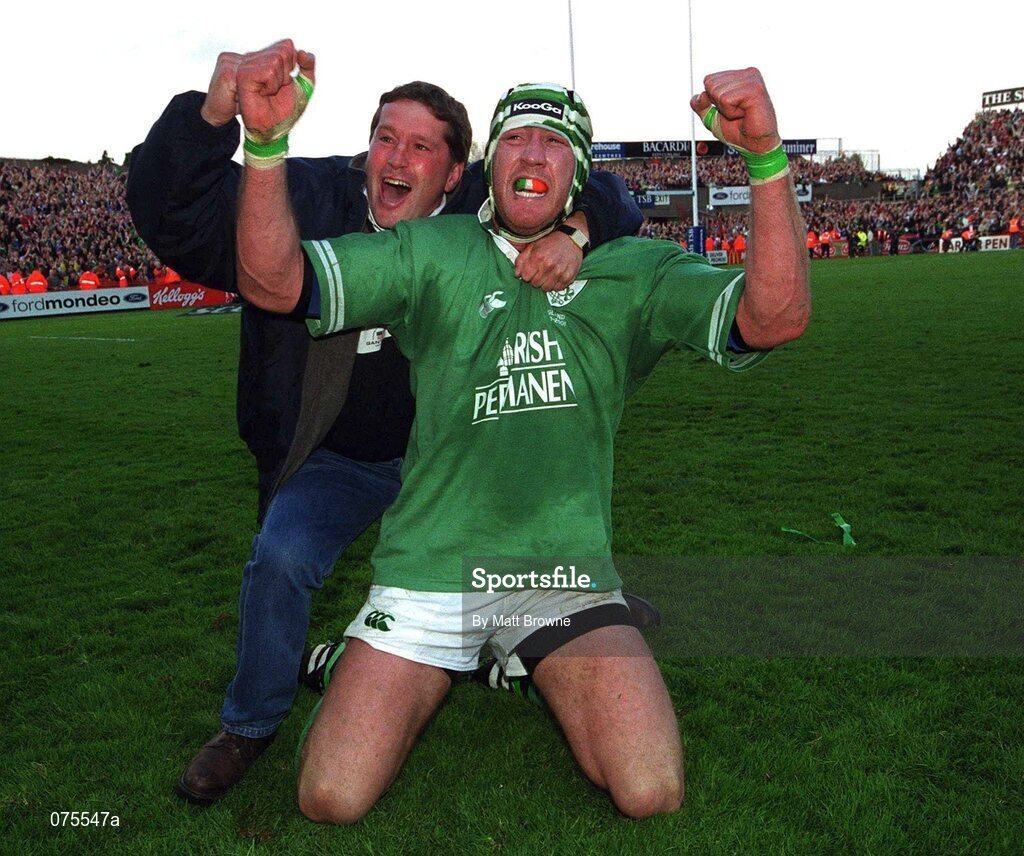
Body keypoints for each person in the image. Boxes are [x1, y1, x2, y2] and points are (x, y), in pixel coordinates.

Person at [233, 47, 809, 823]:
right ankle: (392, 653)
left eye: (553, 142)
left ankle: (511, 655)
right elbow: (276, 280)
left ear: (580, 176)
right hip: (429, 569)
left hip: (559, 576)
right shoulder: (431, 251)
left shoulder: (635, 272)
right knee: (330, 797)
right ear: (489, 163)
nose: (531, 152)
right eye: (514, 138)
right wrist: (265, 149)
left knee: (650, 790)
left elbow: (775, 318)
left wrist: (768, 160)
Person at [126, 40, 644, 806]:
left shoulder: (486, 214)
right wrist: (213, 112)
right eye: (384, 139)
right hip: (336, 459)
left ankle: (535, 644)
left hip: (454, 458)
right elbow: (171, 213)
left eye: (421, 146)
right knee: (280, 559)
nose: (395, 159)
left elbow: (613, 194)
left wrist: (576, 233)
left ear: (456, 172)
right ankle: (248, 725)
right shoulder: (303, 196)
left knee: (533, 546)